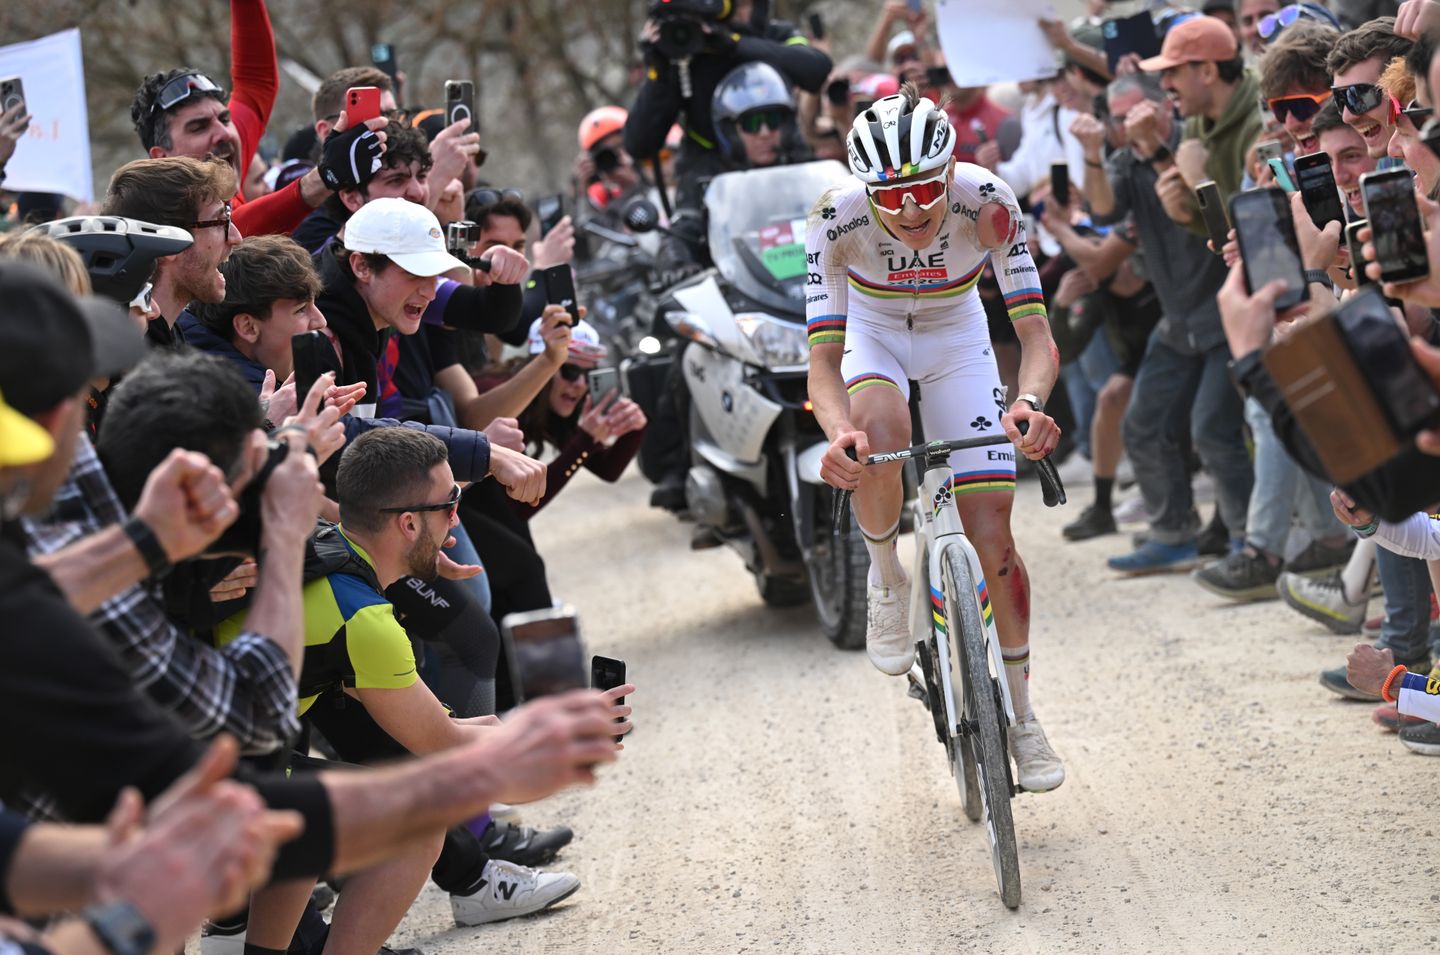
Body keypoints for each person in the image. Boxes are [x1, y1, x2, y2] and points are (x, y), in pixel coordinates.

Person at [0, 262, 629, 902]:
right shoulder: (351, 611)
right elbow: (251, 723)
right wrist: (275, 527)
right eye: (80, 396)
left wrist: (156, 543)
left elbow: (42, 593)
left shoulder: (42, 550)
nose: (85, 423)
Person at [807, 84, 1066, 793]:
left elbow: (1035, 336)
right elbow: (823, 363)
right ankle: (886, 575)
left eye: (924, 189)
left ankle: (1022, 715)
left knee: (996, 539)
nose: (912, 210)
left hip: (958, 338)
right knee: (879, 432)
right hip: (875, 335)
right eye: (890, 198)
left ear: (951, 171)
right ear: (868, 193)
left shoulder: (989, 204)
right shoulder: (836, 217)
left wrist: (1030, 401)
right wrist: (837, 434)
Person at [1074, 71, 1253, 574]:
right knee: (1143, 423)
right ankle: (1172, 531)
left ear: (1166, 108)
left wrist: (1156, 147)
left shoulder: (1192, 146)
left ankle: (1247, 542)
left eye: (1138, 111)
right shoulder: (1124, 160)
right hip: (1177, 322)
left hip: (1223, 312)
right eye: (1119, 116)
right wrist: (1091, 152)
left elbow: (1206, 207)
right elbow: (1103, 211)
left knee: (1213, 429)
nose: (1129, 124)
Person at [128, 1, 386, 238]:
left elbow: (256, 80)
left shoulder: (224, 155)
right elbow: (226, 230)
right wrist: (325, 176)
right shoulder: (161, 225)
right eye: (198, 127)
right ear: (162, 158)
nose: (223, 133)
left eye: (225, 118)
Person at [622, 0, 830, 214]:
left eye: (747, 6)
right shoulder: (688, 49)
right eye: (736, 8)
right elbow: (639, 143)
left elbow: (816, 69)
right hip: (711, 181)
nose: (741, 15)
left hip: (785, 165)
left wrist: (734, 44)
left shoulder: (776, 33)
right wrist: (658, 70)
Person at [99, 156, 241, 349]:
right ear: (169, 242)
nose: (236, 237)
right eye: (219, 221)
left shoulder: (167, 339)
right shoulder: (132, 363)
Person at [1328, 16, 1413, 159]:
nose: (1346, 117)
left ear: (1407, 86)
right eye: (1340, 99)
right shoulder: (1388, 163)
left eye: (1358, 96)